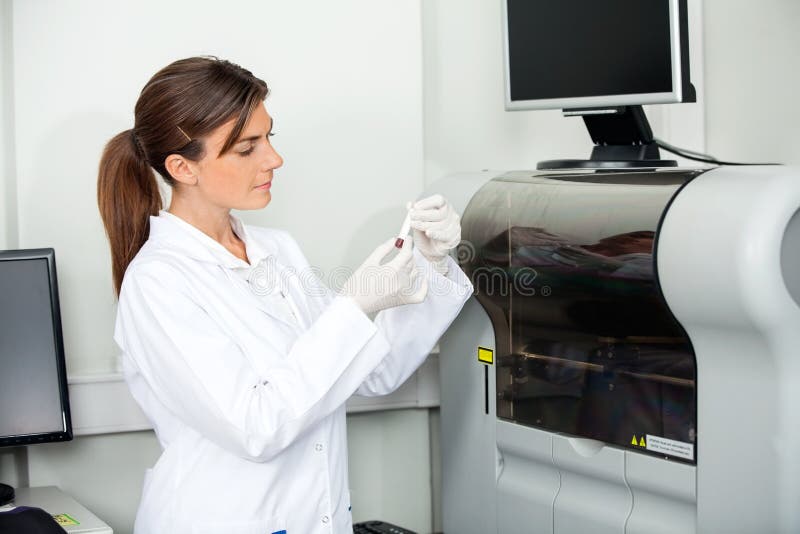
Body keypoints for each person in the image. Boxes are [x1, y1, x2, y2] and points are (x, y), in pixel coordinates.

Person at [97, 56, 472, 534]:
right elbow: (255, 428)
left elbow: (374, 373)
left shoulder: (277, 251)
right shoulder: (157, 283)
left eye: (269, 137)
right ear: (182, 167)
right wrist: (354, 306)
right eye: (247, 148)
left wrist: (432, 262)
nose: (274, 159)